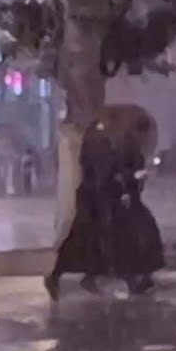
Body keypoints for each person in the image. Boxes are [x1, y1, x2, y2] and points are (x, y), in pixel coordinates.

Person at [45, 121, 120, 300]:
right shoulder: (98, 140)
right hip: (94, 197)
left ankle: (75, 276)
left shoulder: (87, 138)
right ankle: (75, 276)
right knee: (89, 239)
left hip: (88, 196)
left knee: (85, 240)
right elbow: (102, 169)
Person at [111, 120, 162, 295]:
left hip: (131, 199)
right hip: (128, 200)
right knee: (138, 237)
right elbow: (117, 172)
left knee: (140, 236)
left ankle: (139, 276)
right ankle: (135, 277)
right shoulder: (128, 149)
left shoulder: (131, 148)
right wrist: (132, 179)